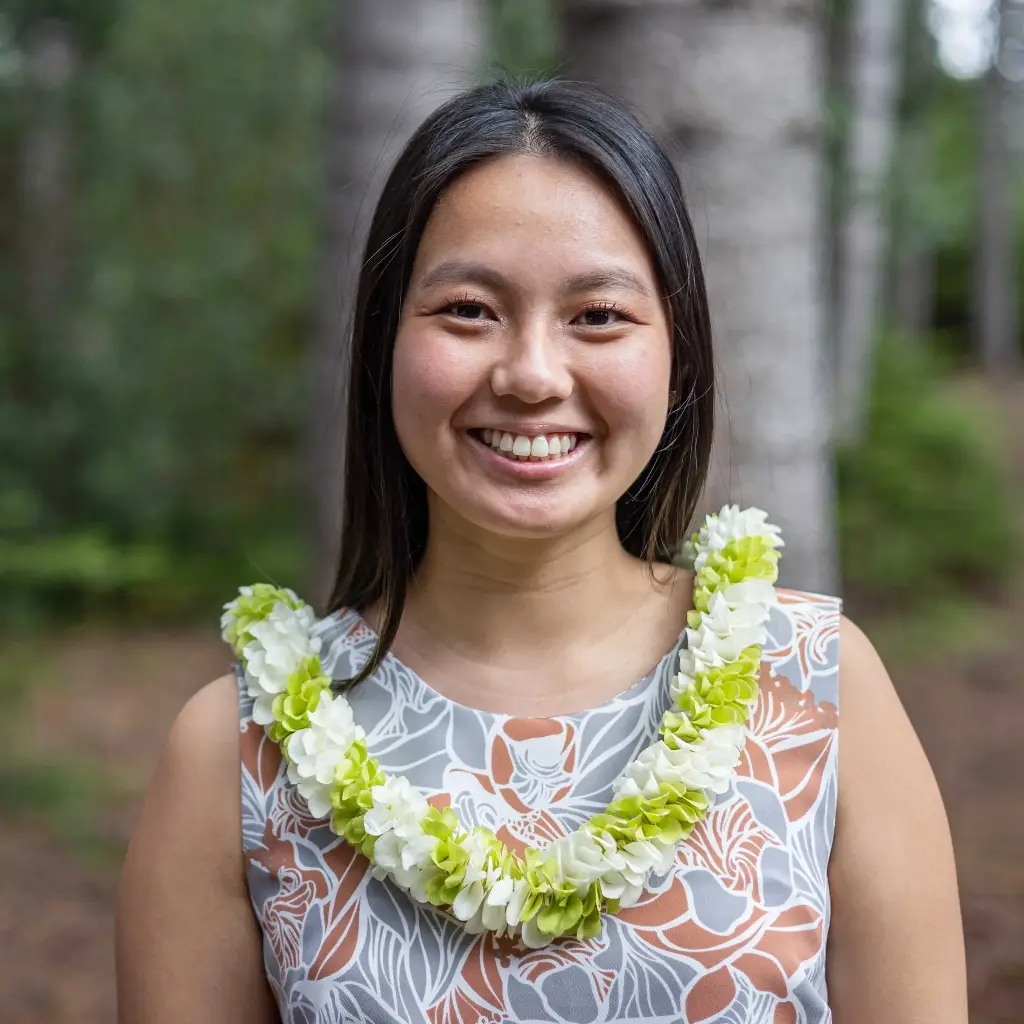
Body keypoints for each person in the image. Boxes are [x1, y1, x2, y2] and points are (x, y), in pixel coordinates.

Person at [115, 79, 967, 1024]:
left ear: (677, 353)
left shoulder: (819, 691)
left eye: (597, 315)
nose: (531, 374)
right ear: (385, 343)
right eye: (469, 310)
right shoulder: (236, 753)